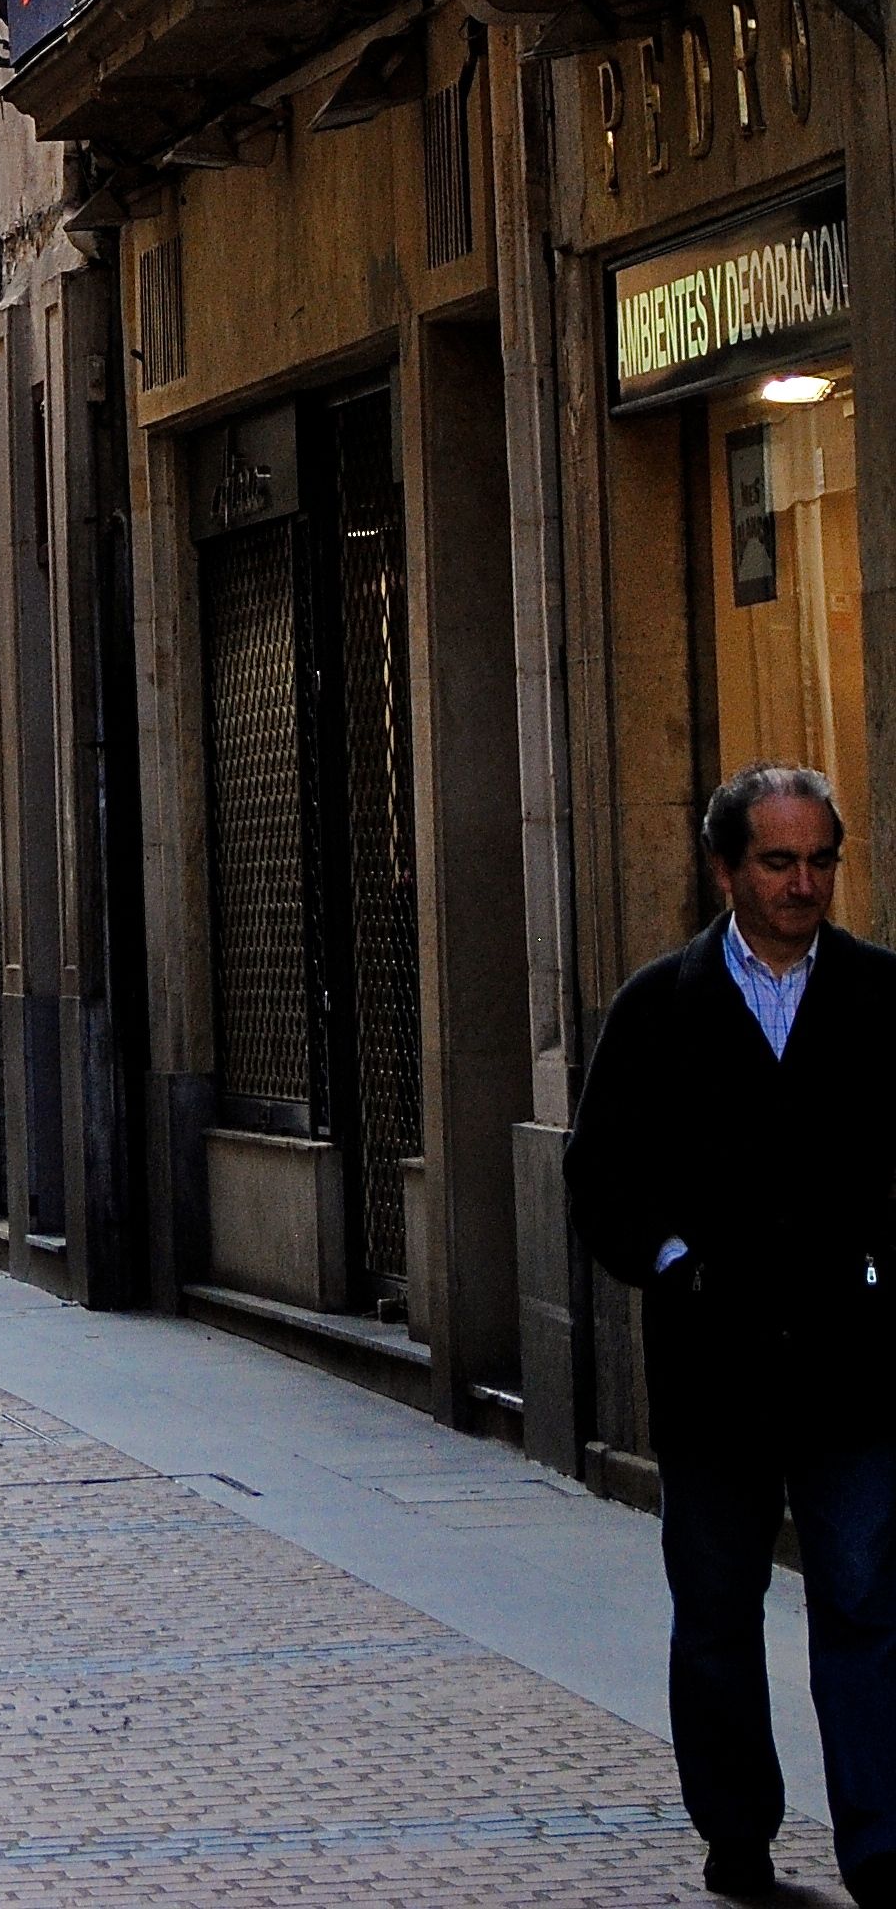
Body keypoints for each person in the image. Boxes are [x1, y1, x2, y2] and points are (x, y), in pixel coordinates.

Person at [565, 763, 896, 1907]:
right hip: (714, 1373)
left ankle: (882, 1847)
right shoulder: (657, 1006)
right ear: (723, 869)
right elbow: (598, 1176)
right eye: (776, 861)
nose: (802, 884)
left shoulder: (882, 997)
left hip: (854, 1367)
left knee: (862, 1602)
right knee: (716, 1613)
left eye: (819, 861)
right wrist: (676, 1266)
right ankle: (739, 1837)